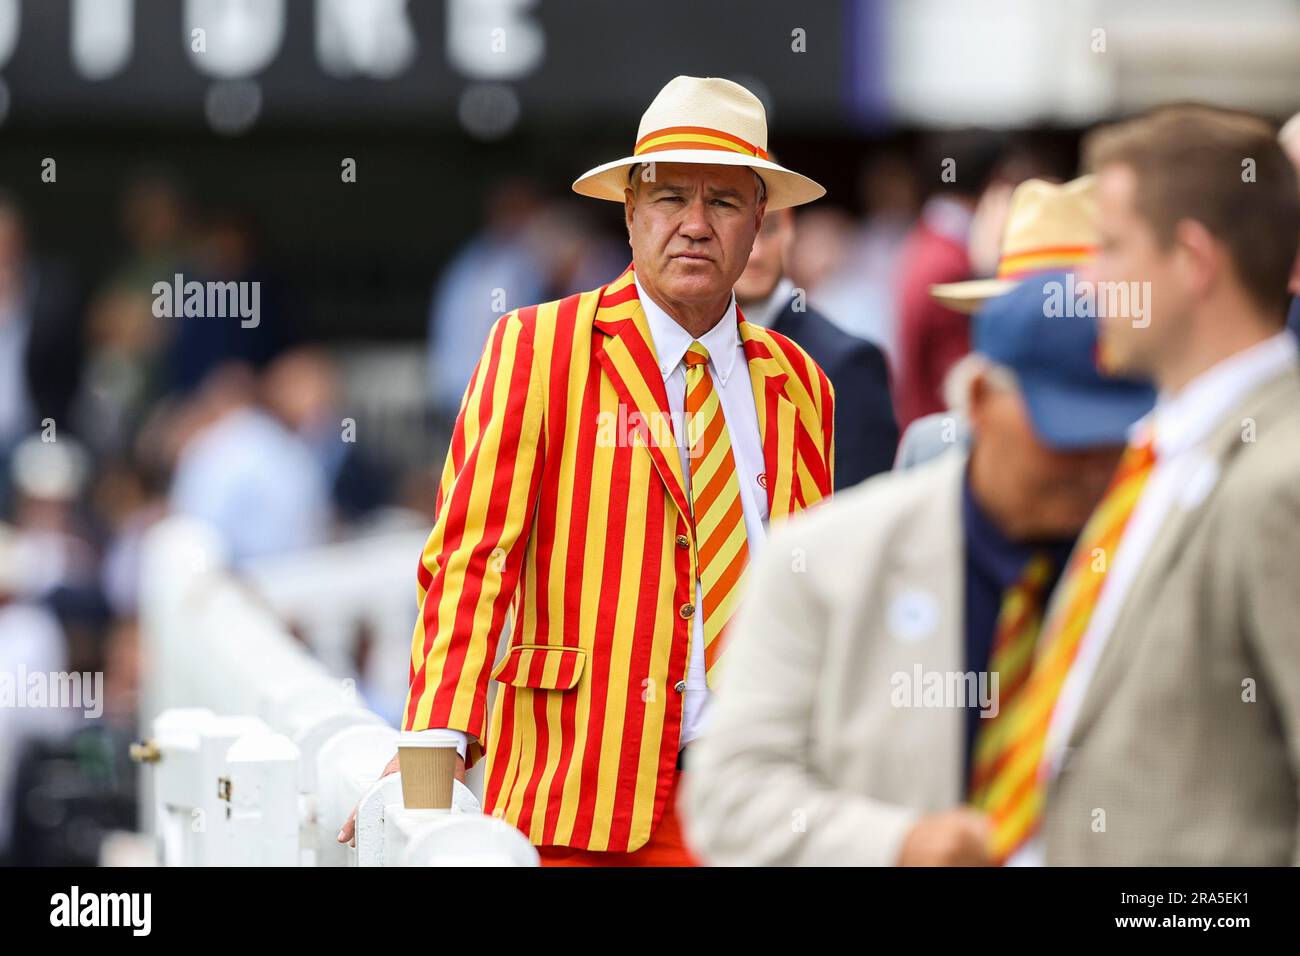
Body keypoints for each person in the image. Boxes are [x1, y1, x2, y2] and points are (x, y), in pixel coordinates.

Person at [338, 75, 836, 864]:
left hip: (751, 805)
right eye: (671, 198)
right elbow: (472, 558)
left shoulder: (801, 384)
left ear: (760, 224)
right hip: (577, 795)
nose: (695, 226)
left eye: (726, 203)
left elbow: (813, 589)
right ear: (630, 213)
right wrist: (434, 746)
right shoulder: (537, 349)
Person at [681, 269, 1152, 865]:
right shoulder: (825, 563)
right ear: (979, 400)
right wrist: (900, 845)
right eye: (1062, 436)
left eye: (1115, 442)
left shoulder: (1157, 557)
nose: (1090, 467)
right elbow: (730, 798)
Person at [985, 104, 1300, 867]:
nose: (1085, 281)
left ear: (1193, 261)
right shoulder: (1165, 450)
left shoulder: (1280, 480)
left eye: (1111, 246)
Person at [735, 201, 897, 487]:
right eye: (737, 230)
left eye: (769, 227)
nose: (756, 252)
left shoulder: (846, 363)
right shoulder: (683, 353)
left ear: (789, 229)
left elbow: (864, 515)